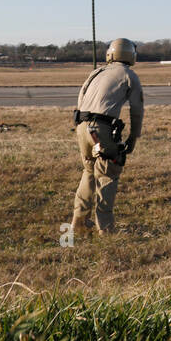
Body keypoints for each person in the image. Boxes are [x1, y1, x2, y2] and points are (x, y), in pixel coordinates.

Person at [71, 38, 144, 237]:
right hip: (101, 129)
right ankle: (105, 228)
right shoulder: (129, 75)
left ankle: (79, 222)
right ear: (130, 54)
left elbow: (80, 100)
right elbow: (137, 110)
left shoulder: (96, 72)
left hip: (82, 127)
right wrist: (133, 137)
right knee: (107, 174)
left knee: (88, 172)